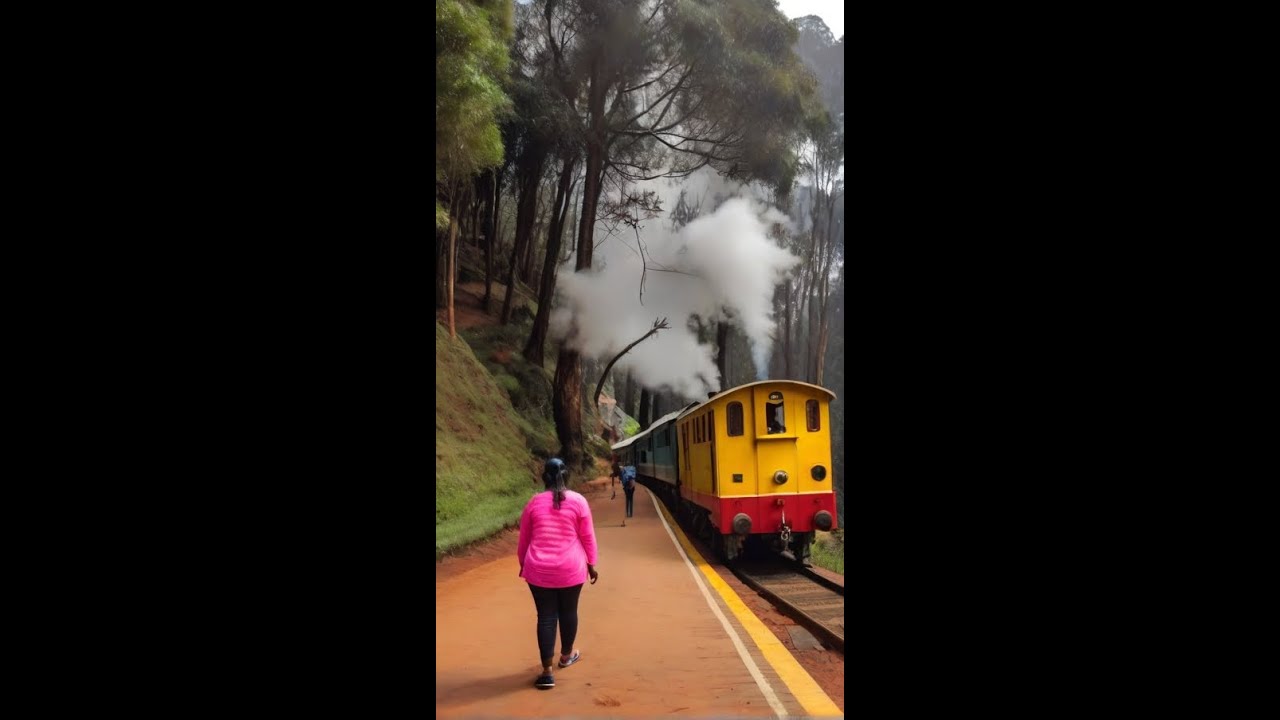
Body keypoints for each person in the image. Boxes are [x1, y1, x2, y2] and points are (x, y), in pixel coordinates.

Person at [517, 458, 600, 690]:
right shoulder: (579, 501)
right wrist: (591, 564)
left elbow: (524, 539)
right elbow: (587, 537)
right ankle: (566, 656)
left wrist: (523, 564)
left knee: (546, 617)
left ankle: (546, 672)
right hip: (571, 568)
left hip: (538, 569)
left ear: (545, 477)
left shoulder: (533, 503)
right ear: (567, 475)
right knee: (569, 612)